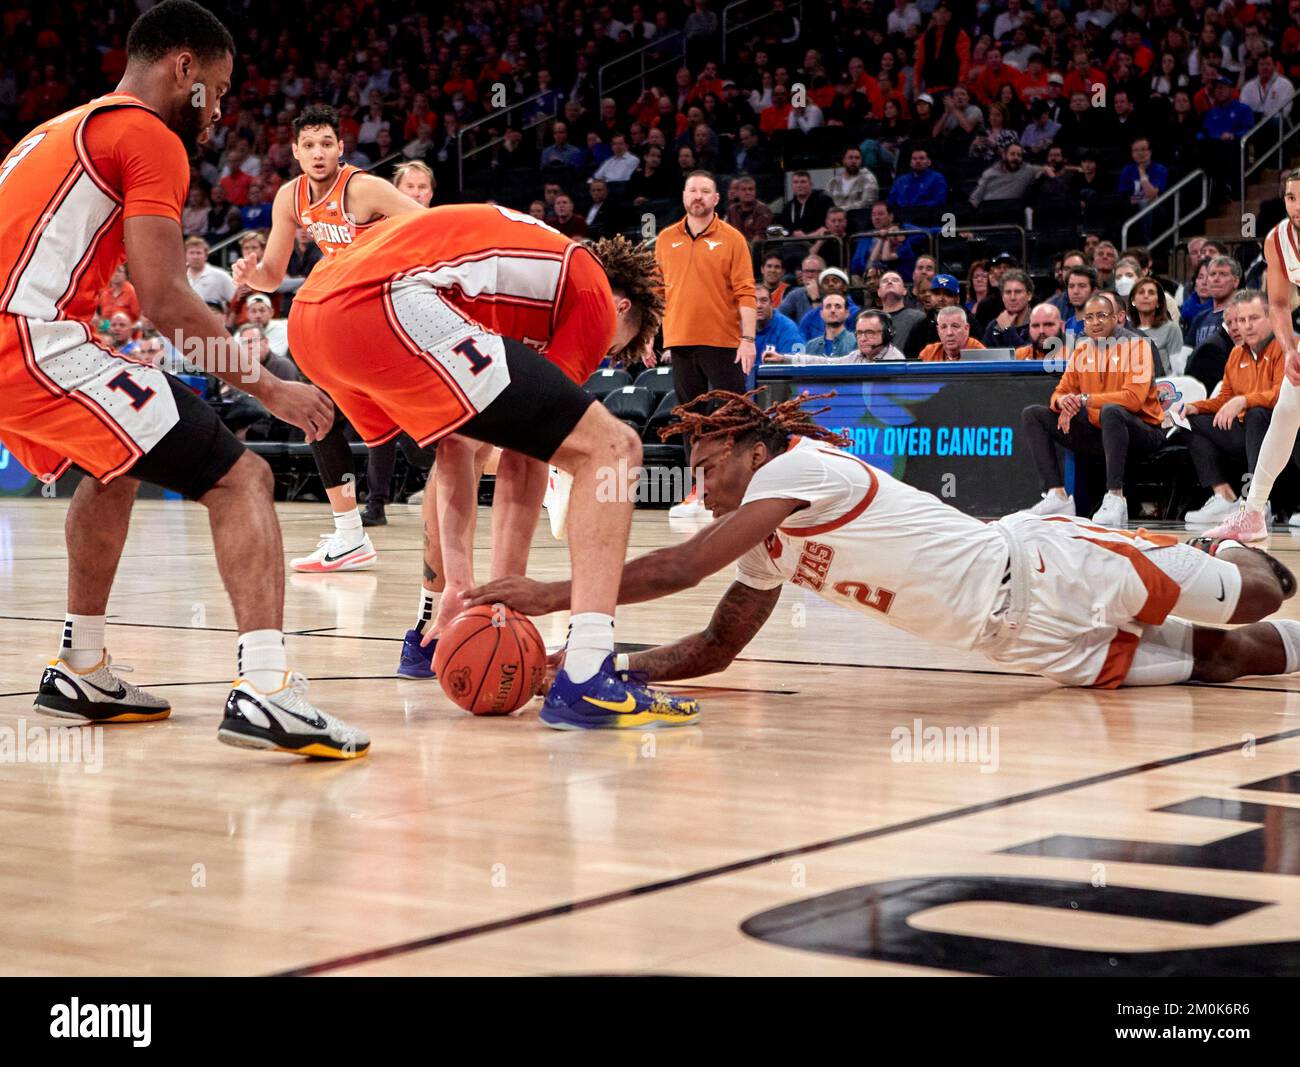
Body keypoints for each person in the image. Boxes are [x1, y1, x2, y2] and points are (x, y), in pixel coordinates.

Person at [0, 0, 366, 758]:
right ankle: (265, 689)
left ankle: (82, 666)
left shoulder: (57, 128)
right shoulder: (147, 133)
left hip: (26, 335)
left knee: (121, 460)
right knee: (243, 477)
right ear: (184, 69)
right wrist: (269, 386)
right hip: (25, 339)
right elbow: (167, 300)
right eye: (221, 90)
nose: (222, 109)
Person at [464, 389, 1300, 693]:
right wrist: (599, 667)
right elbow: (718, 645)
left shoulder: (806, 469)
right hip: (1030, 650)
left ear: (757, 451)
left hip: (1050, 567)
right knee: (1228, 660)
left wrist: (550, 596)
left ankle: (1229, 541)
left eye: (712, 466)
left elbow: (683, 564)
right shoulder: (764, 540)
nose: (704, 485)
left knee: (1258, 592)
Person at [287, 204, 699, 728]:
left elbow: (457, 448)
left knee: (460, 439)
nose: (601, 358)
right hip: (382, 303)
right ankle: (588, 673)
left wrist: (464, 578)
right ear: (621, 309)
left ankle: (430, 625)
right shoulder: (593, 295)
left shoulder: (499, 286)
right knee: (613, 447)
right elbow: (528, 458)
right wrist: (511, 595)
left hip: (313, 313)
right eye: (611, 351)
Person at [230, 103, 424, 572]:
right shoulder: (290, 198)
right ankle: (349, 535)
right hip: (349, 318)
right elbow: (274, 275)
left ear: (341, 148)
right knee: (316, 415)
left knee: (429, 433)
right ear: (295, 152)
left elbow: (430, 227)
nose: (318, 153)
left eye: (326, 144)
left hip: (392, 308)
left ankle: (539, 467)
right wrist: (252, 276)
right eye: (309, 145)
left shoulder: (363, 189)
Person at [655, 169, 756, 520]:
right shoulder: (665, 239)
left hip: (724, 342)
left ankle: (739, 488)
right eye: (692, 190)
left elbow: (746, 291)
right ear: (684, 197)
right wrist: (649, 336)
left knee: (733, 417)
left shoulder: (732, 239)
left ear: (716, 199)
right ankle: (698, 492)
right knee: (690, 421)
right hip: (680, 341)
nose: (698, 196)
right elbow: (655, 293)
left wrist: (748, 339)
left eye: (705, 191)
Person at [1206, 171, 1300, 542]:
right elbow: (1277, 304)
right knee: (1286, 413)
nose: (1298, 206)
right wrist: (1290, 348)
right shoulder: (1277, 239)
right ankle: (1253, 512)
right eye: (1292, 198)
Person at [1021, 294, 1164, 525]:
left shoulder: (1138, 346)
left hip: (1142, 432)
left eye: (1101, 316)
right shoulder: (1081, 350)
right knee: (1034, 414)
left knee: (1112, 411)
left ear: (1116, 318)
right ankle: (1057, 495)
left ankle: (1116, 498)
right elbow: (1060, 391)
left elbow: (1133, 399)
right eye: (1089, 318)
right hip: (1101, 431)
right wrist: (1063, 402)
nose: (1095, 322)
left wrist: (1085, 399)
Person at [1181, 291, 1285, 528]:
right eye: (1240, 320)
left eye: (1254, 318)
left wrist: (1244, 401)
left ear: (1270, 317)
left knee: (1256, 414)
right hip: (1245, 431)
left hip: (1280, 433)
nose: (1245, 326)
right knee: (1188, 421)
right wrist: (1192, 407)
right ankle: (1223, 496)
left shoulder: (1285, 346)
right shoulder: (1236, 353)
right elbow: (1224, 399)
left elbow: (1281, 395)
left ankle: (1258, 502)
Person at [765, 309, 904, 365]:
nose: (862, 338)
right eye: (859, 333)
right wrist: (784, 358)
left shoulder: (895, 360)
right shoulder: (856, 357)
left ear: (887, 334)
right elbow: (824, 362)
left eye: (869, 332)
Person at [753, 284, 803, 359]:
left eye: (764, 300)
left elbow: (798, 361)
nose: (758, 305)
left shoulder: (787, 328)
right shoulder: (738, 326)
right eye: (753, 301)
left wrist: (783, 359)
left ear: (771, 303)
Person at [918, 306, 985, 361]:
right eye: (944, 327)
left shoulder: (980, 353)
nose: (949, 333)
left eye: (955, 326)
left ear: (966, 328)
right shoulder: (928, 353)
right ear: (938, 331)